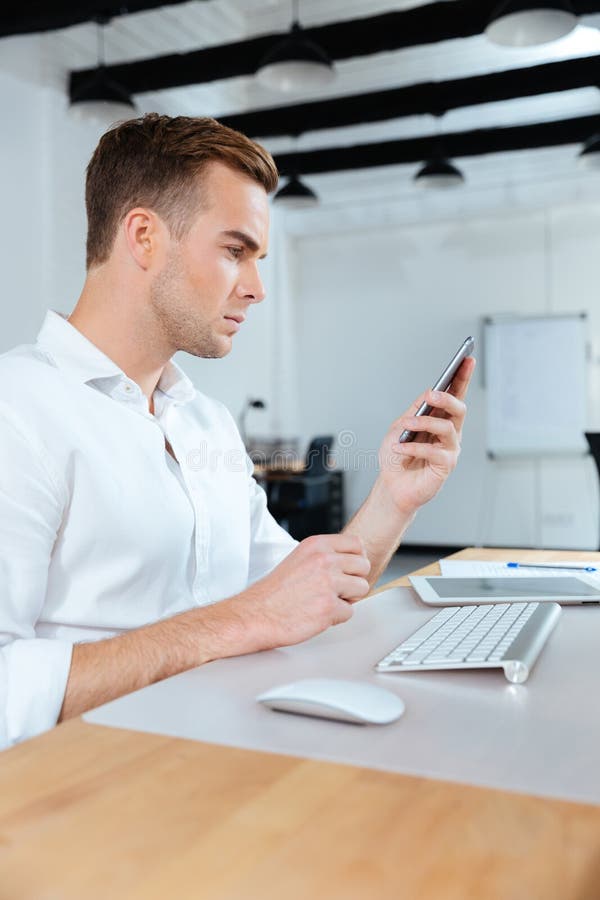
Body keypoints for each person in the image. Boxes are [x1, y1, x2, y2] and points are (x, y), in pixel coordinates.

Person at [0, 114, 475, 748]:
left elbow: (299, 591)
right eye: (234, 251)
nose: (254, 289)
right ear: (143, 237)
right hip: (91, 795)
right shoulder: (18, 408)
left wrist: (395, 498)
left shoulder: (204, 421)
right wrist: (236, 622)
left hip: (230, 753)